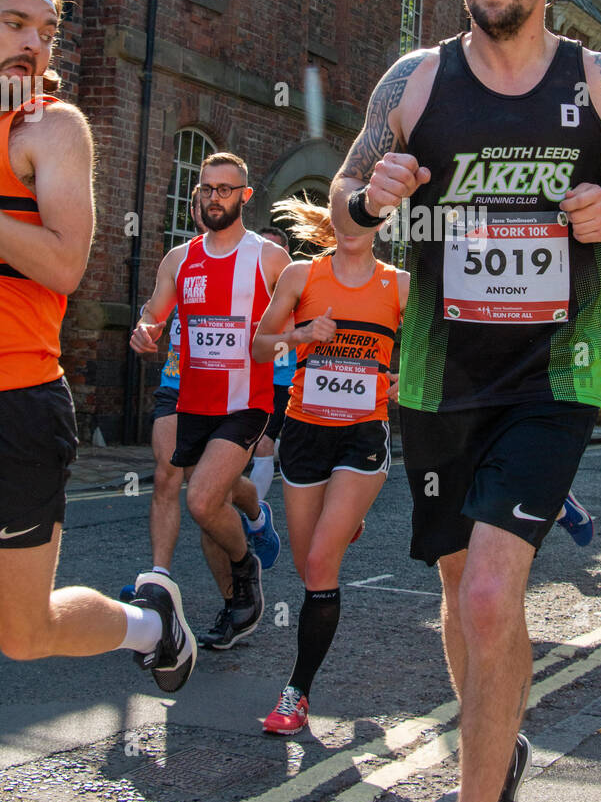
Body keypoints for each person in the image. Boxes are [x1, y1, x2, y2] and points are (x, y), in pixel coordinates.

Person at [330, 0, 601, 802]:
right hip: (436, 378)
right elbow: (347, 193)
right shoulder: (415, 80)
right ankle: (498, 733)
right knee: (455, 592)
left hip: (549, 374)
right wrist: (371, 193)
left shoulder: (598, 85)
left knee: (489, 594)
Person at [0, 0, 195, 691]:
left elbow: (63, 264)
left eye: (47, 32)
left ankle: (151, 625)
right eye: (16, 24)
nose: (35, 44)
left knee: (24, 634)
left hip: (16, 404)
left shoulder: (49, 128)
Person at [251, 198, 408, 734]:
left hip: (362, 435)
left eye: (364, 216)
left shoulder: (398, 285)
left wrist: (399, 378)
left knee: (320, 564)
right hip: (304, 433)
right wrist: (297, 337)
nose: (352, 225)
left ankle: (296, 693)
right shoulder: (301, 275)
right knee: (306, 564)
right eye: (343, 216)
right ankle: (345, 518)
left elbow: (435, 350)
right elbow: (258, 347)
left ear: (380, 223)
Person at [130, 152, 290, 650]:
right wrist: (143, 331)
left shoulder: (269, 258)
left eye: (225, 189)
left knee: (200, 497)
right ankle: (235, 603)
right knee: (211, 503)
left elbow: (299, 326)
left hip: (247, 402)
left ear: (244, 196)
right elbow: (153, 313)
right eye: (207, 188)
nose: (214, 197)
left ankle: (246, 572)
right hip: (193, 401)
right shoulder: (179, 260)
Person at [248, 225, 296, 513]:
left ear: (285, 253)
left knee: (264, 441)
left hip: (284, 381)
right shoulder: (246, 287)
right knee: (258, 444)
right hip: (253, 377)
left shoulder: (295, 288)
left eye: (272, 247)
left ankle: (255, 513)